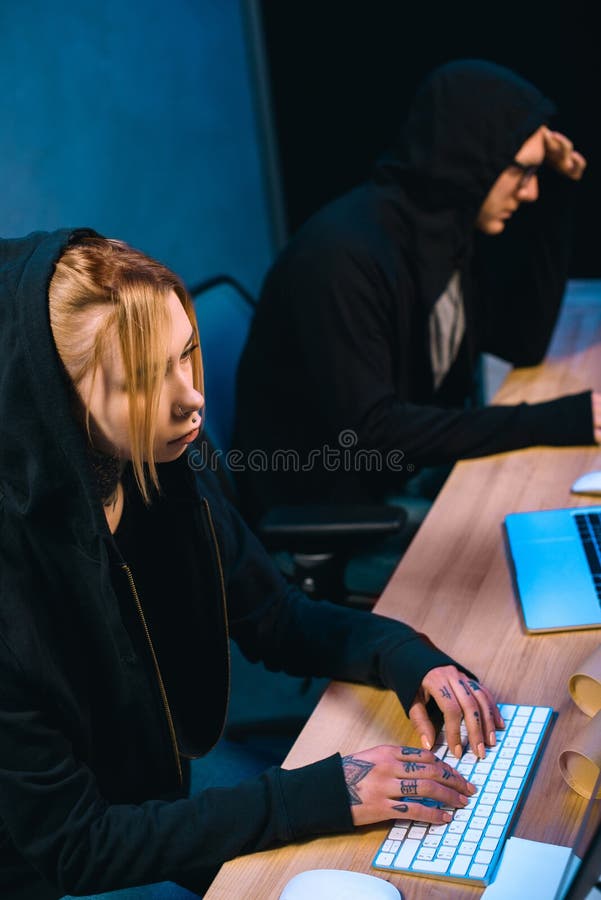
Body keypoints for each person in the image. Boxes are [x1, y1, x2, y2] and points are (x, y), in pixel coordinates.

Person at [0, 228, 504, 899]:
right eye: (147, 378)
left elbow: (277, 616)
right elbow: (76, 847)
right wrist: (328, 792)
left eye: (187, 355)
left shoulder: (161, 468)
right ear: (54, 400)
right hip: (55, 863)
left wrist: (402, 655)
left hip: (156, 783)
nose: (191, 398)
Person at [234, 59, 598, 525]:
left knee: (545, 509)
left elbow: (522, 344)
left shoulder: (448, 239)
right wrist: (552, 421)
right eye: (522, 172)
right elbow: (372, 432)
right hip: (335, 514)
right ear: (471, 159)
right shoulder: (341, 257)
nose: (530, 193)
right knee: (507, 543)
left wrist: (562, 194)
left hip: (399, 477)